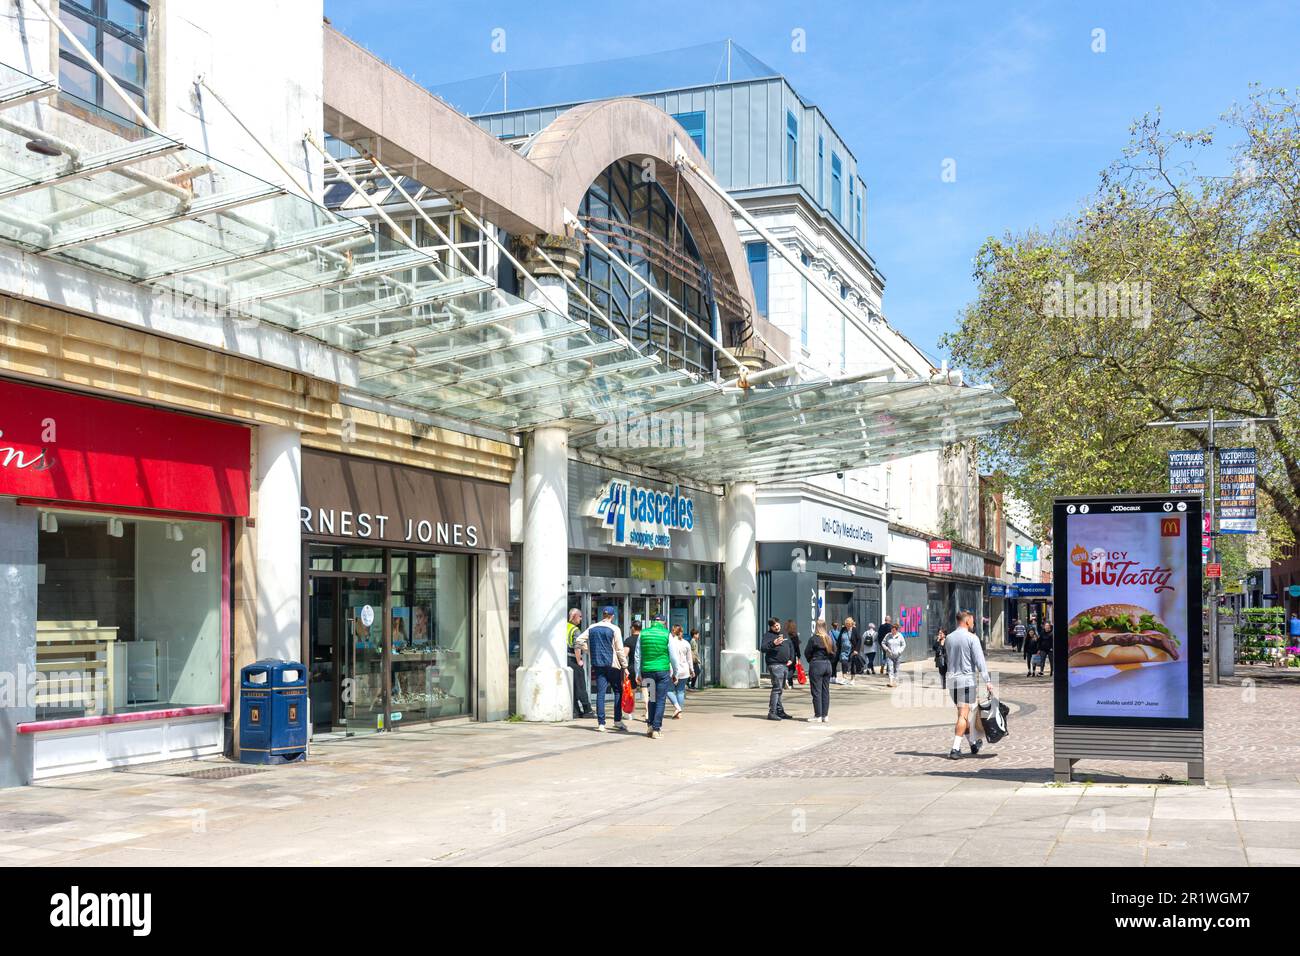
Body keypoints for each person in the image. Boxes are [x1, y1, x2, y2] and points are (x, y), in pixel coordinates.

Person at [945, 609, 995, 760]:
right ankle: (955, 748)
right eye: (972, 621)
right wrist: (988, 681)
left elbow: (949, 659)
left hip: (952, 681)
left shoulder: (948, 638)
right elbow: (980, 662)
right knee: (963, 715)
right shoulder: (972, 638)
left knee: (962, 714)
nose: (973, 623)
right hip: (966, 681)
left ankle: (973, 744)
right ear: (967, 621)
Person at [580, 607, 627, 733]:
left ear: (603, 614)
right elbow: (619, 649)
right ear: (612, 616)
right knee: (617, 691)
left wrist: (590, 651)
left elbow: (579, 640)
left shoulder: (592, 627)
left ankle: (601, 723)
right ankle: (617, 720)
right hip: (612, 665)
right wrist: (625, 665)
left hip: (598, 664)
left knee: (601, 693)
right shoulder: (615, 629)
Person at [634, 615, 679, 739]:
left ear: (652, 622)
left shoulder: (643, 634)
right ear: (664, 623)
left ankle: (649, 725)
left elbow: (638, 655)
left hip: (647, 671)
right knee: (660, 700)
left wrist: (638, 673)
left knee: (652, 698)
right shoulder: (667, 634)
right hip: (662, 672)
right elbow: (673, 656)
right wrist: (676, 673)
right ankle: (656, 728)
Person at [761, 617, 796, 721]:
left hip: (785, 665)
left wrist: (791, 658)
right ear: (771, 627)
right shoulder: (768, 636)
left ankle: (779, 711)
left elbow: (791, 646)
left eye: (778, 625)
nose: (777, 627)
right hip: (775, 665)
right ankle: (772, 712)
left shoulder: (784, 634)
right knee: (777, 689)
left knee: (779, 689)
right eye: (774, 626)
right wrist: (774, 643)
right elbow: (763, 648)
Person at [804, 618, 836, 722]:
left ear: (816, 627)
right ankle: (825, 715)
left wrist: (812, 661)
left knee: (816, 691)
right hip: (827, 665)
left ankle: (818, 715)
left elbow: (807, 653)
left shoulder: (813, 639)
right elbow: (834, 652)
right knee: (825, 691)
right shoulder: (829, 638)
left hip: (817, 664)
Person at [566, 608, 591, 718]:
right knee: (580, 685)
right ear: (574, 616)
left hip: (565, 660)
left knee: (572, 686)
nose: (581, 619)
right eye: (580, 616)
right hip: (573, 660)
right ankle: (587, 710)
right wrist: (579, 660)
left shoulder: (564, 627)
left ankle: (575, 710)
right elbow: (577, 647)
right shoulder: (575, 630)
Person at [666, 625, 693, 718]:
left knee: (668, 690)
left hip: (673, 670)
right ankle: (679, 712)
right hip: (685, 670)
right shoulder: (686, 643)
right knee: (680, 691)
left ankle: (677, 707)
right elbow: (689, 659)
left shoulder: (670, 643)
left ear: (673, 631)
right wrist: (692, 670)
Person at [881, 622, 906, 687]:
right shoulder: (888, 635)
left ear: (896, 630)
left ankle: (895, 681)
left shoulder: (900, 636)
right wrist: (887, 649)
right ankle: (891, 682)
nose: (892, 631)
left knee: (896, 669)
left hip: (897, 655)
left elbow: (903, 645)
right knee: (890, 668)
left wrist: (899, 651)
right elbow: (883, 643)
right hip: (889, 655)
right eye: (891, 630)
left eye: (894, 630)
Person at [844, 616, 863, 685]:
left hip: (853, 650)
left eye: (849, 624)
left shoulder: (854, 630)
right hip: (845, 649)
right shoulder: (844, 629)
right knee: (845, 662)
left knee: (853, 664)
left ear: (851, 624)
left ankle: (852, 678)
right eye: (846, 624)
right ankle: (844, 677)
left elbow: (859, 640)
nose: (847, 626)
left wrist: (856, 650)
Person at [784, 619, 802, 688]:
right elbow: (797, 647)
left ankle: (788, 682)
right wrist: (799, 655)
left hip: (785, 654)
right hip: (792, 655)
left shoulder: (785, 635)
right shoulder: (795, 636)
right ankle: (789, 682)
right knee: (792, 669)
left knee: (786, 668)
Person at [828, 620, 843, 684]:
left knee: (831, 664)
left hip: (831, 650)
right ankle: (834, 677)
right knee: (835, 664)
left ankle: (831, 677)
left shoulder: (829, 632)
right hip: (836, 650)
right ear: (837, 626)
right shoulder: (839, 633)